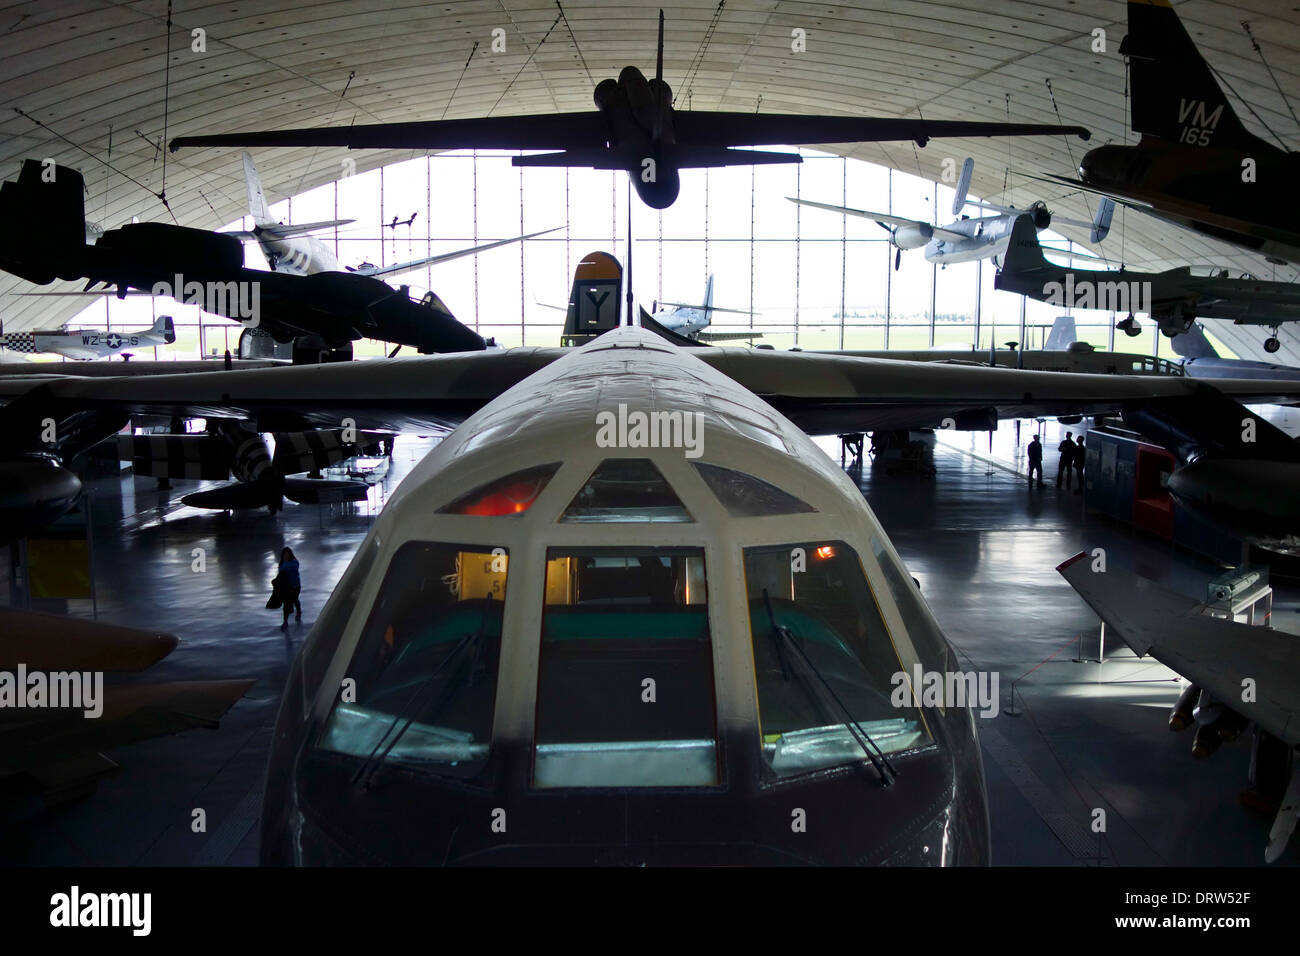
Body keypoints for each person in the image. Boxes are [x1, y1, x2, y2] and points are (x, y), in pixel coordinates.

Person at [277, 547, 302, 630]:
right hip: (286, 587)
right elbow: (281, 571)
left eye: (287, 554)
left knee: (295, 600)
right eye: (285, 555)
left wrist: (284, 566)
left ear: (290, 555)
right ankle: (285, 621)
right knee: (286, 604)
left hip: (295, 586)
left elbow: (287, 568)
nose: (286, 556)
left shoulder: (294, 562)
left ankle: (298, 612)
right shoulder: (283, 563)